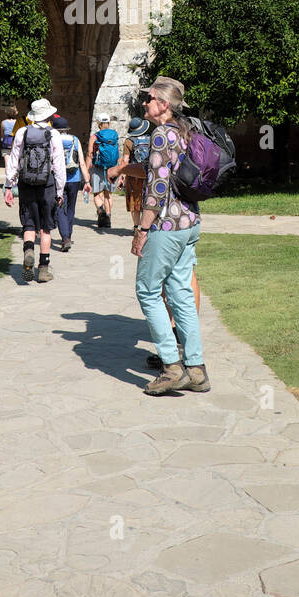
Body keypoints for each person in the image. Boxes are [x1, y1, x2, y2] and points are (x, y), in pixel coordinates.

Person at [131, 76, 209, 395]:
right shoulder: (185, 130)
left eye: (148, 99)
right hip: (189, 222)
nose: (144, 104)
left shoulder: (162, 135)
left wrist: (142, 229)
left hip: (166, 226)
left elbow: (157, 188)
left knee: (148, 291)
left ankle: (171, 367)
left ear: (163, 104)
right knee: (180, 292)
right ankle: (196, 369)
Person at [3, 97, 66, 283]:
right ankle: (44, 269)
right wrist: (60, 191)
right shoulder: (53, 134)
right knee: (46, 228)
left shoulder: (22, 132)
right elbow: (59, 165)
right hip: (47, 185)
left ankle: (28, 254)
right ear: (47, 115)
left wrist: (9, 185)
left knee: (29, 224)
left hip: (26, 183)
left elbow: (14, 160)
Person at [52, 115, 91, 251]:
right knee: (71, 209)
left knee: (60, 208)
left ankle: (65, 238)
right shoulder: (75, 139)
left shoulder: (52, 140)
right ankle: (68, 234)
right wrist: (87, 181)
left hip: (58, 179)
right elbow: (81, 161)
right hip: (74, 179)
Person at [107, 116, 150, 229]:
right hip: (148, 174)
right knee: (147, 199)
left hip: (134, 175)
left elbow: (125, 161)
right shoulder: (151, 139)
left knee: (135, 201)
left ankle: (136, 227)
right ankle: (147, 226)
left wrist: (122, 177)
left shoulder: (129, 141)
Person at [87, 115, 119, 229]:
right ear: (109, 123)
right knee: (108, 194)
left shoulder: (95, 137)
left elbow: (90, 154)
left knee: (97, 193)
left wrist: (86, 170)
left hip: (97, 167)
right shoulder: (114, 135)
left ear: (98, 123)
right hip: (112, 167)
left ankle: (101, 212)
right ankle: (108, 217)